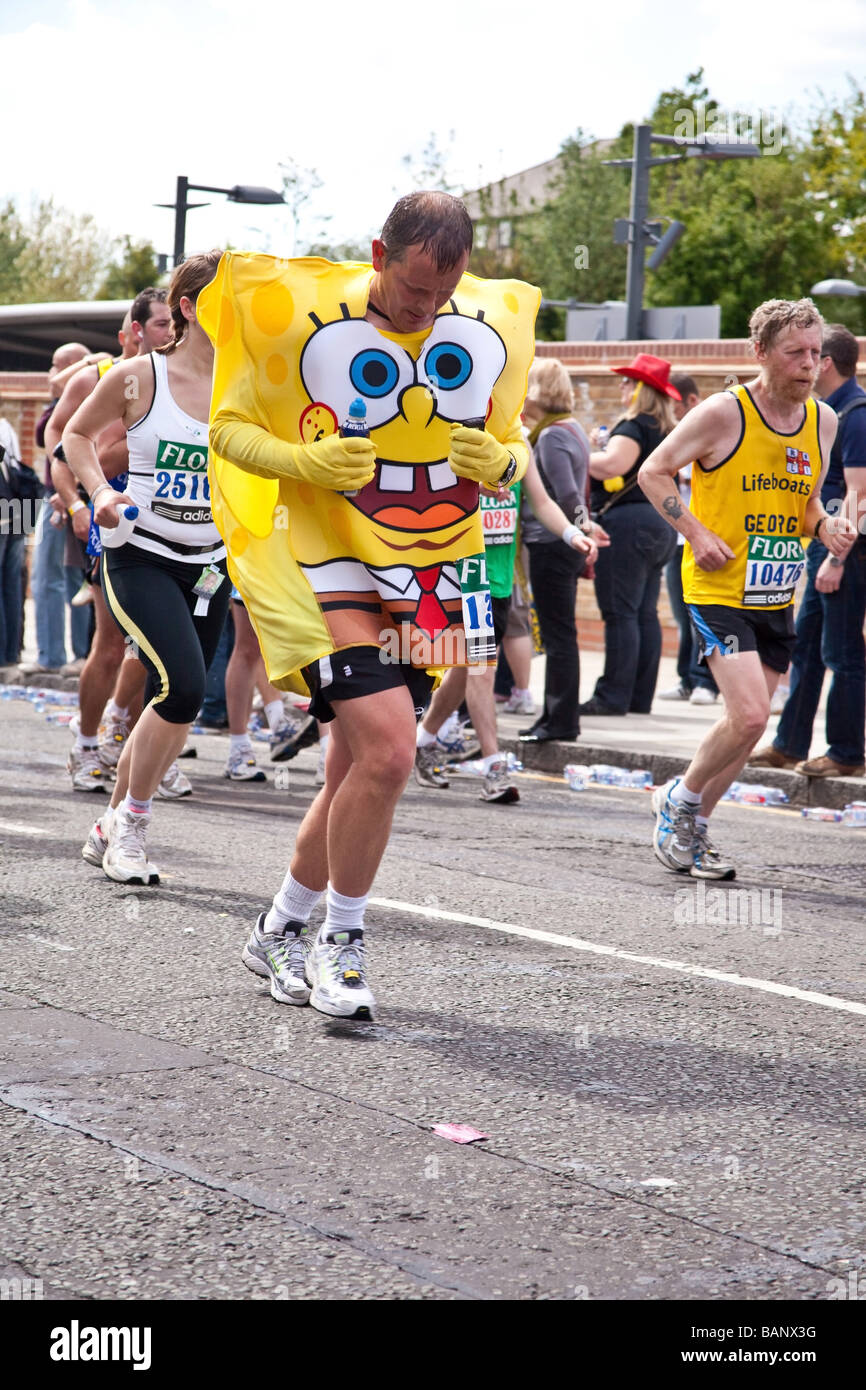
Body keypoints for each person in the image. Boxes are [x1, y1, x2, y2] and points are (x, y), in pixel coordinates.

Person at [201, 191, 538, 1019]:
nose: (426, 308)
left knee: (354, 770)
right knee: (390, 754)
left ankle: (278, 927)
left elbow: (518, 448)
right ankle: (340, 944)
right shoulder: (298, 316)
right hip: (323, 570)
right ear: (379, 250)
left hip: (429, 581)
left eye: (442, 294)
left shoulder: (479, 330)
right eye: (415, 288)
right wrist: (303, 463)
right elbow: (228, 429)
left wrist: (499, 458)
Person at [639, 298, 856, 880]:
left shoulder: (823, 422)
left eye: (817, 353)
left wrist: (825, 524)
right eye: (796, 354)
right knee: (753, 714)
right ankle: (679, 802)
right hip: (717, 585)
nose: (810, 365)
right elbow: (651, 471)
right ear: (760, 353)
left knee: (748, 728)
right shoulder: (722, 413)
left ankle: (691, 827)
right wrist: (695, 532)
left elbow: (805, 502)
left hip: (775, 591)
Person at [65, 251, 229, 884]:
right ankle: (131, 827)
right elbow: (76, 437)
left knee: (175, 702)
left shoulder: (247, 387)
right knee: (185, 686)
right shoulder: (138, 377)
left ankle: (109, 823)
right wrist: (99, 494)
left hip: (212, 563)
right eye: (224, 304)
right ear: (188, 308)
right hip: (140, 554)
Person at [415, 448, 598, 796]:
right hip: (463, 572)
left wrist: (572, 534)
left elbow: (542, 502)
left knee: (465, 669)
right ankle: (494, 767)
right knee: (481, 670)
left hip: (497, 576)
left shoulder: (519, 444)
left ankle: (423, 740)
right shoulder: (462, 437)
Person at [49, 292, 172, 792]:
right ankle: (84, 744)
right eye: (162, 323)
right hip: (107, 519)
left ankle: (125, 735)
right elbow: (62, 448)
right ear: (135, 331)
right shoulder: (97, 379)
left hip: (165, 522)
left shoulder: (179, 380)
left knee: (149, 646)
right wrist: (75, 504)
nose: (172, 332)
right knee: (111, 643)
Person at [750, 324, 866, 778]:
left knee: (841, 654)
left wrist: (837, 559)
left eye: (812, 354)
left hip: (846, 552)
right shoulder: (824, 412)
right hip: (827, 550)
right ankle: (789, 744)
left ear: (827, 363)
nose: (805, 363)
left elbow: (858, 494)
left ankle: (846, 752)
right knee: (807, 650)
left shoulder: (854, 414)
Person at [581, 354, 680, 716]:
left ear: (640, 389)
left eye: (627, 382)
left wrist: (579, 453)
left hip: (628, 526)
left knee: (620, 613)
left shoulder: (635, 425)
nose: (621, 387)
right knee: (644, 613)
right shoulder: (664, 428)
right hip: (660, 525)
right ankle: (638, 697)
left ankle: (612, 697)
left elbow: (612, 465)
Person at [516, 359, 595, 742]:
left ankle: (560, 720)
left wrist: (582, 529)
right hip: (561, 543)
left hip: (552, 544)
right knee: (559, 634)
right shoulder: (571, 428)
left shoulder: (551, 436)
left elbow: (565, 495)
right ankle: (553, 716)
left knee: (558, 635)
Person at [23, 342, 92, 677]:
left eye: (55, 365)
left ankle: (56, 656)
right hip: (66, 495)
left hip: (64, 496)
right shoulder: (70, 402)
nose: (51, 373)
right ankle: (74, 655)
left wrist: (76, 368)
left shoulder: (83, 396)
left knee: (53, 578)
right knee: (70, 578)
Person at [656, 373, 719, 706]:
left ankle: (705, 681)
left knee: (704, 616)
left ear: (691, 401)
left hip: (704, 538)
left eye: (674, 404)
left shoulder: (708, 432)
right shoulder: (676, 436)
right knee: (682, 615)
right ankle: (685, 677)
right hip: (678, 541)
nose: (670, 412)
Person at [0, 403, 30, 666]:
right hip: (20, 507)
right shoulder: (6, 427)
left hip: (5, 508)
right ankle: (11, 652)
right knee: (13, 582)